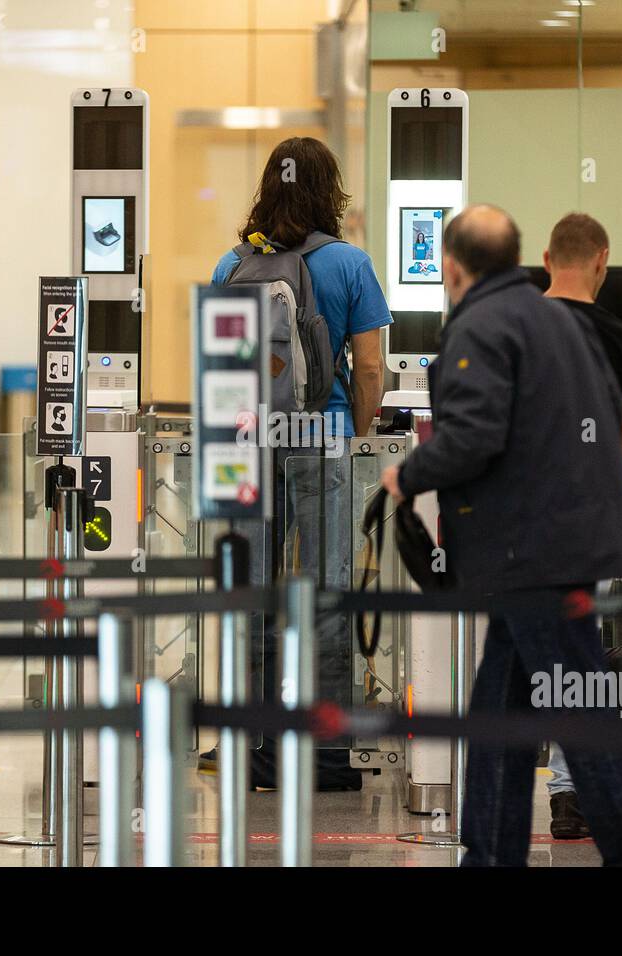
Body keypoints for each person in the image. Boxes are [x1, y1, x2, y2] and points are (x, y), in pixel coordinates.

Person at [380, 204, 622, 866]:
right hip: (558, 544)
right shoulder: (558, 321)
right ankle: (487, 855)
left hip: (534, 554)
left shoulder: (483, 325)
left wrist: (407, 473)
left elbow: (476, 434)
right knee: (499, 717)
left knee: (583, 718)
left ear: (453, 266)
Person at [207, 137, 391, 791]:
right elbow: (369, 367)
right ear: (328, 191)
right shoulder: (350, 264)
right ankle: (326, 754)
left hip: (248, 445)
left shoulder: (233, 265)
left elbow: (220, 371)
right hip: (321, 436)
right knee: (326, 591)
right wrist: (357, 432)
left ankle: (256, 749)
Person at [540, 212, 622, 839]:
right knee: (579, 659)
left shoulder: (515, 328)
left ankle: (502, 801)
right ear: (602, 261)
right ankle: (571, 791)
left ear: (549, 259)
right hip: (591, 526)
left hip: (522, 528)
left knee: (516, 659)